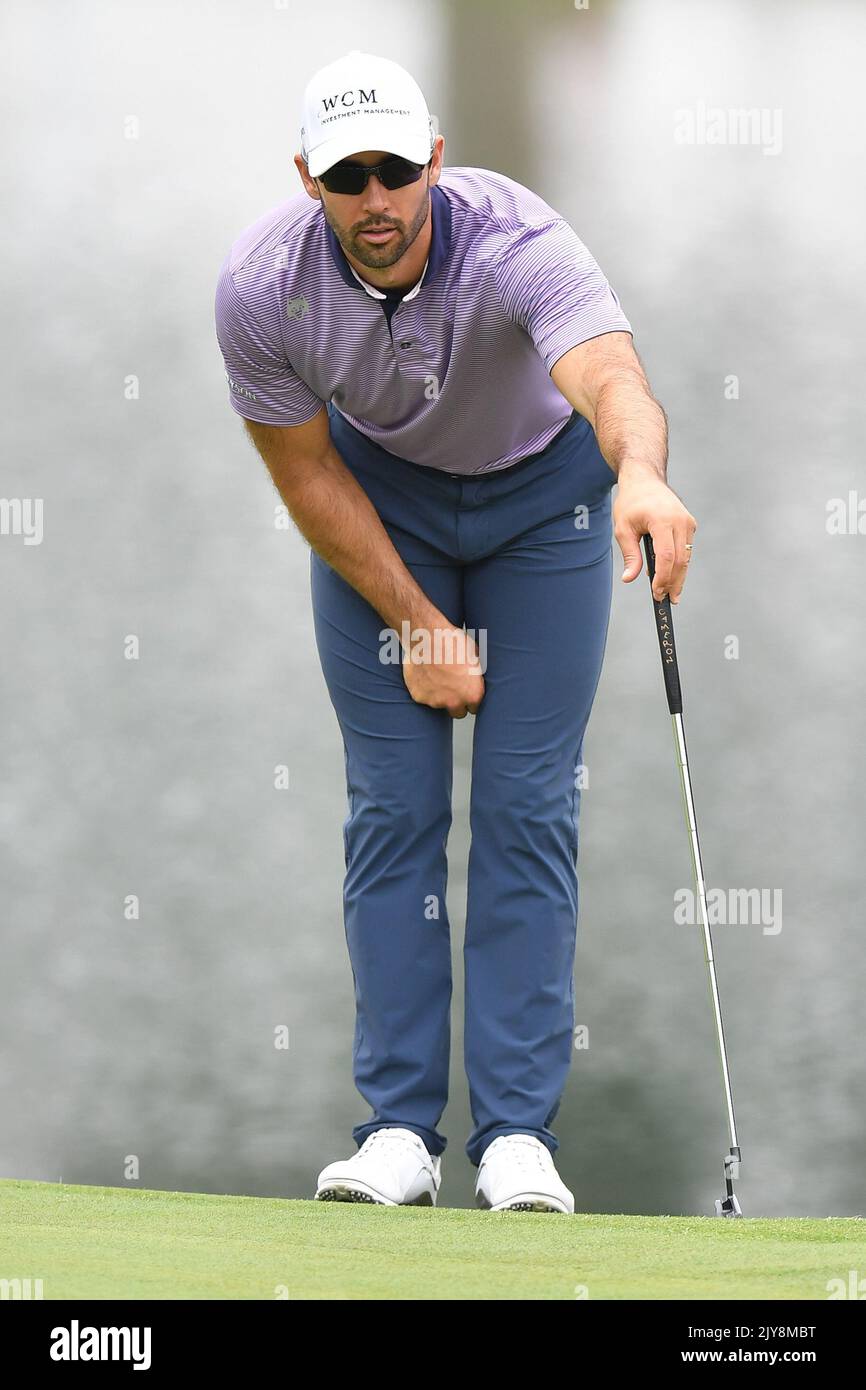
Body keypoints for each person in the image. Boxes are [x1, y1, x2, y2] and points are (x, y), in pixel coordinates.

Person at [214, 50, 696, 1213]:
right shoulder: (259, 287)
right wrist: (418, 623)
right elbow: (307, 476)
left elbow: (608, 374)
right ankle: (394, 1133)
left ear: (431, 160)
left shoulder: (517, 242)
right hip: (384, 519)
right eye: (346, 176)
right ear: (306, 179)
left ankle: (517, 1139)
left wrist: (638, 471)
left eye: (392, 169)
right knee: (393, 811)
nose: (374, 200)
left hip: (547, 509)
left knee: (527, 806)